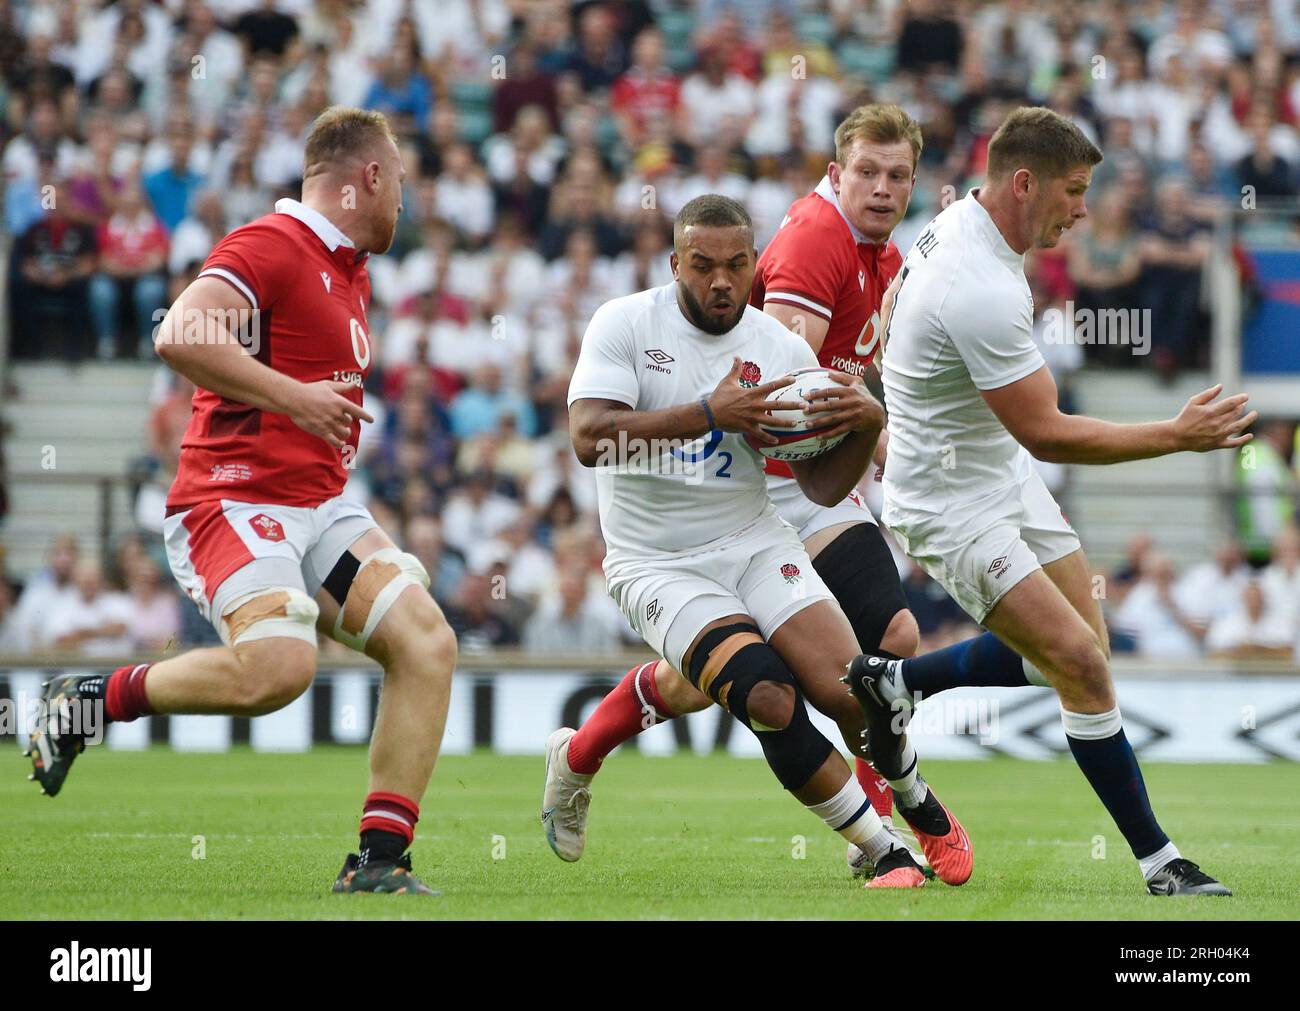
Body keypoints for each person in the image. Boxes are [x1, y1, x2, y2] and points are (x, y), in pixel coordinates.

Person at [25, 106, 458, 898]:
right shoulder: (273, 244)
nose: (405, 200)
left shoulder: (348, 269)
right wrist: (296, 398)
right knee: (280, 669)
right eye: (399, 181)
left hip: (319, 504)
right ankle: (91, 697)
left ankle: (379, 861)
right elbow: (181, 334)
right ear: (367, 177)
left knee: (427, 642)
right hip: (229, 497)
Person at [851, 106, 1254, 896]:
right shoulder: (977, 285)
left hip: (994, 468)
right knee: (1079, 666)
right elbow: (1051, 435)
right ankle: (1159, 861)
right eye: (1073, 192)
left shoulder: (968, 223)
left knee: (1083, 649)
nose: (1082, 209)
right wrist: (1177, 434)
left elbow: (900, 316)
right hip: (949, 501)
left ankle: (899, 684)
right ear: (1024, 182)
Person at [546, 105, 934, 878]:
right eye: (703, 265)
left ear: (756, 264)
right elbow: (591, 439)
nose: (721, 282)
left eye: (736, 266)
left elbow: (821, 487)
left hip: (756, 539)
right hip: (657, 560)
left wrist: (866, 422)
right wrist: (705, 415)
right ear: (675, 264)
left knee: (856, 688)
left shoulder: (778, 347)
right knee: (768, 695)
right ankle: (882, 846)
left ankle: (920, 803)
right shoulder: (625, 325)